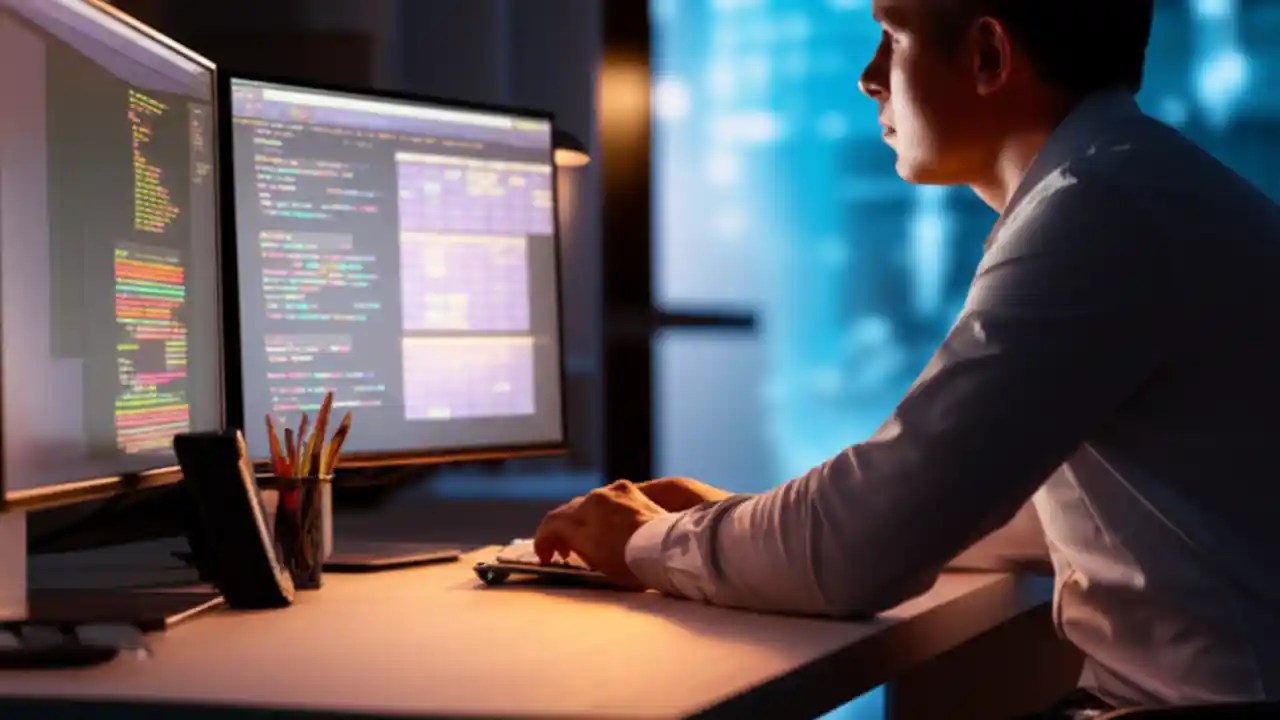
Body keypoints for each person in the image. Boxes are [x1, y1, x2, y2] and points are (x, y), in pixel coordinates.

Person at [534, 0, 1280, 712]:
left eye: (893, 35)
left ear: (988, 55)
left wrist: (642, 542)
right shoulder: (1131, 184)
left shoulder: (1099, 211)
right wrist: (738, 522)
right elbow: (960, 499)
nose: (869, 74)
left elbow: (868, 545)